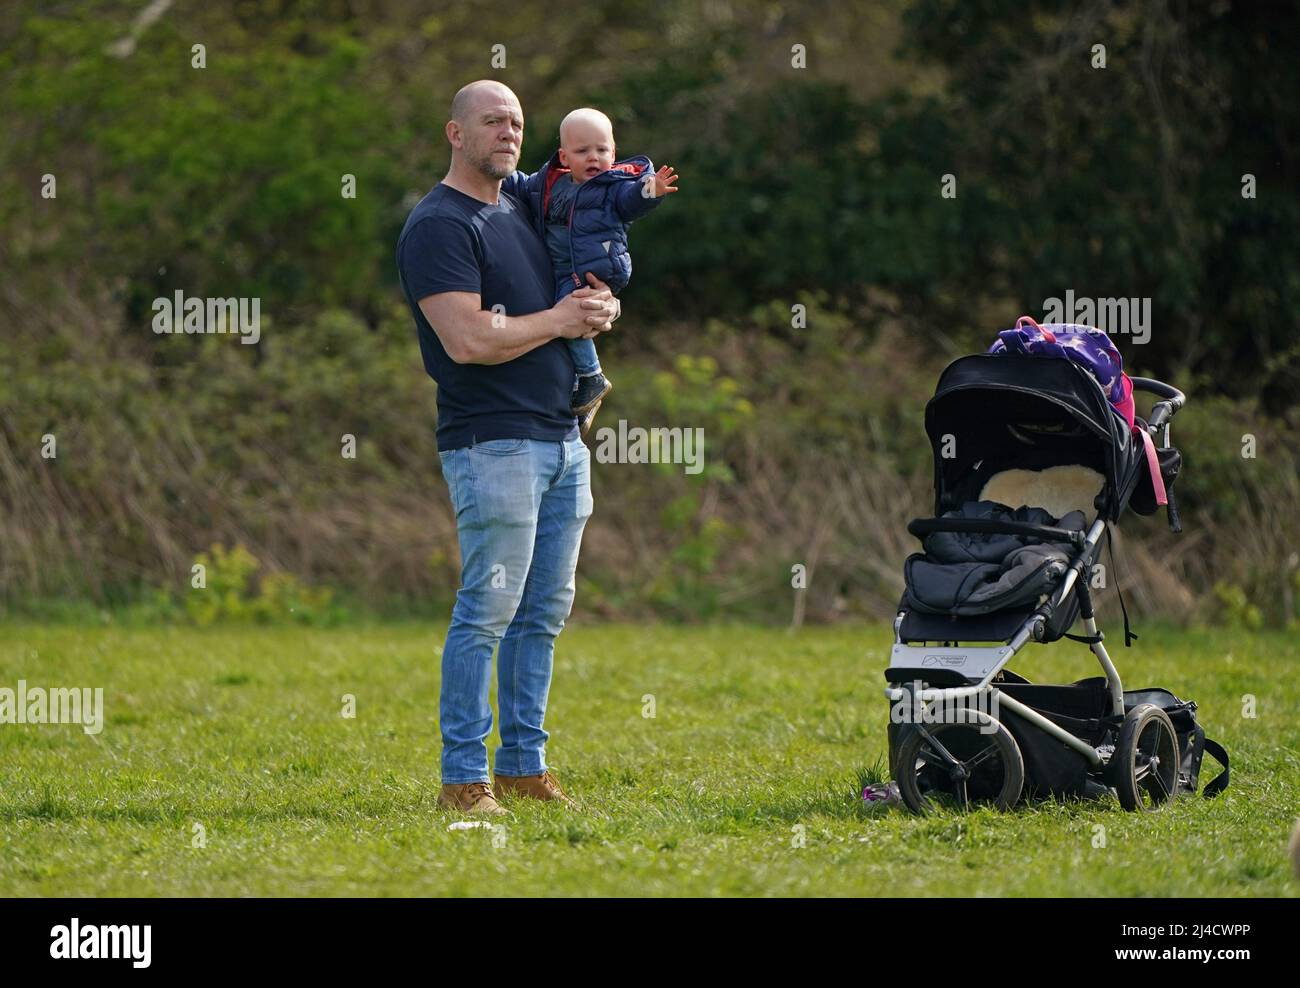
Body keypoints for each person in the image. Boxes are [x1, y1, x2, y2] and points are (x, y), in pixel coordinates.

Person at [395, 80, 621, 815]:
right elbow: (465, 340)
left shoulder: (523, 204)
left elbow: (577, 262)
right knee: (488, 610)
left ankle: (524, 766)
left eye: (518, 122)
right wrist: (558, 319)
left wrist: (596, 305)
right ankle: (463, 781)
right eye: (492, 121)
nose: (509, 132)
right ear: (455, 134)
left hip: (563, 439)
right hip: (493, 445)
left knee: (543, 613)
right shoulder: (438, 225)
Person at [502, 107, 679, 433]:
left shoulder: (612, 187)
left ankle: (591, 375)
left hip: (594, 266)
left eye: (602, 150)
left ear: (613, 153)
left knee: (568, 311)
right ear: (564, 157)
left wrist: (649, 191)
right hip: (562, 266)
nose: (593, 157)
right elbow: (524, 187)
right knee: (564, 319)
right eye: (583, 151)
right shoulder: (550, 183)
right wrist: (497, 173)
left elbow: (630, 200)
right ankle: (576, 391)